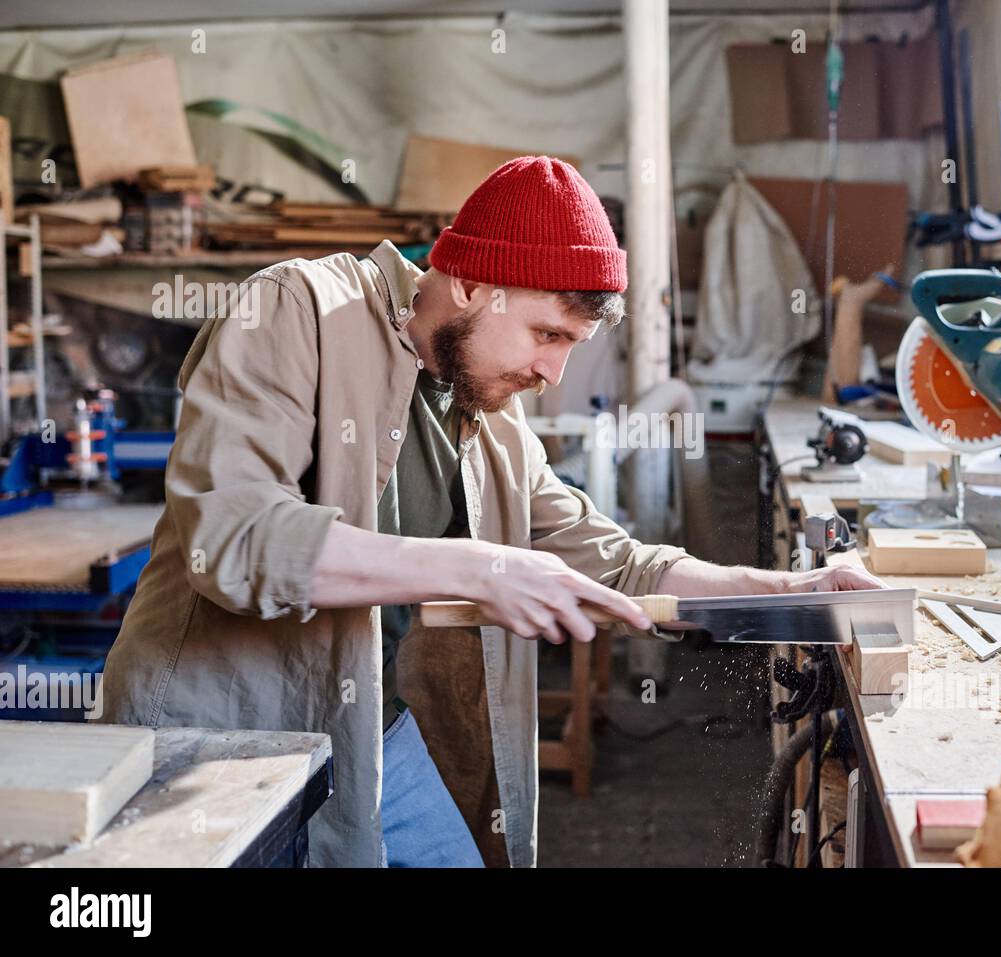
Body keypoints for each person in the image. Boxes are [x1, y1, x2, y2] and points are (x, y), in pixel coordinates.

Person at [99, 156, 882, 867]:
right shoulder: (297, 311)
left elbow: (616, 560)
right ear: (472, 283)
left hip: (368, 725)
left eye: (570, 343)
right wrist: (481, 565)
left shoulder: (492, 418)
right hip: (220, 731)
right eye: (547, 334)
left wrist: (788, 593)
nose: (552, 371)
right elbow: (231, 539)